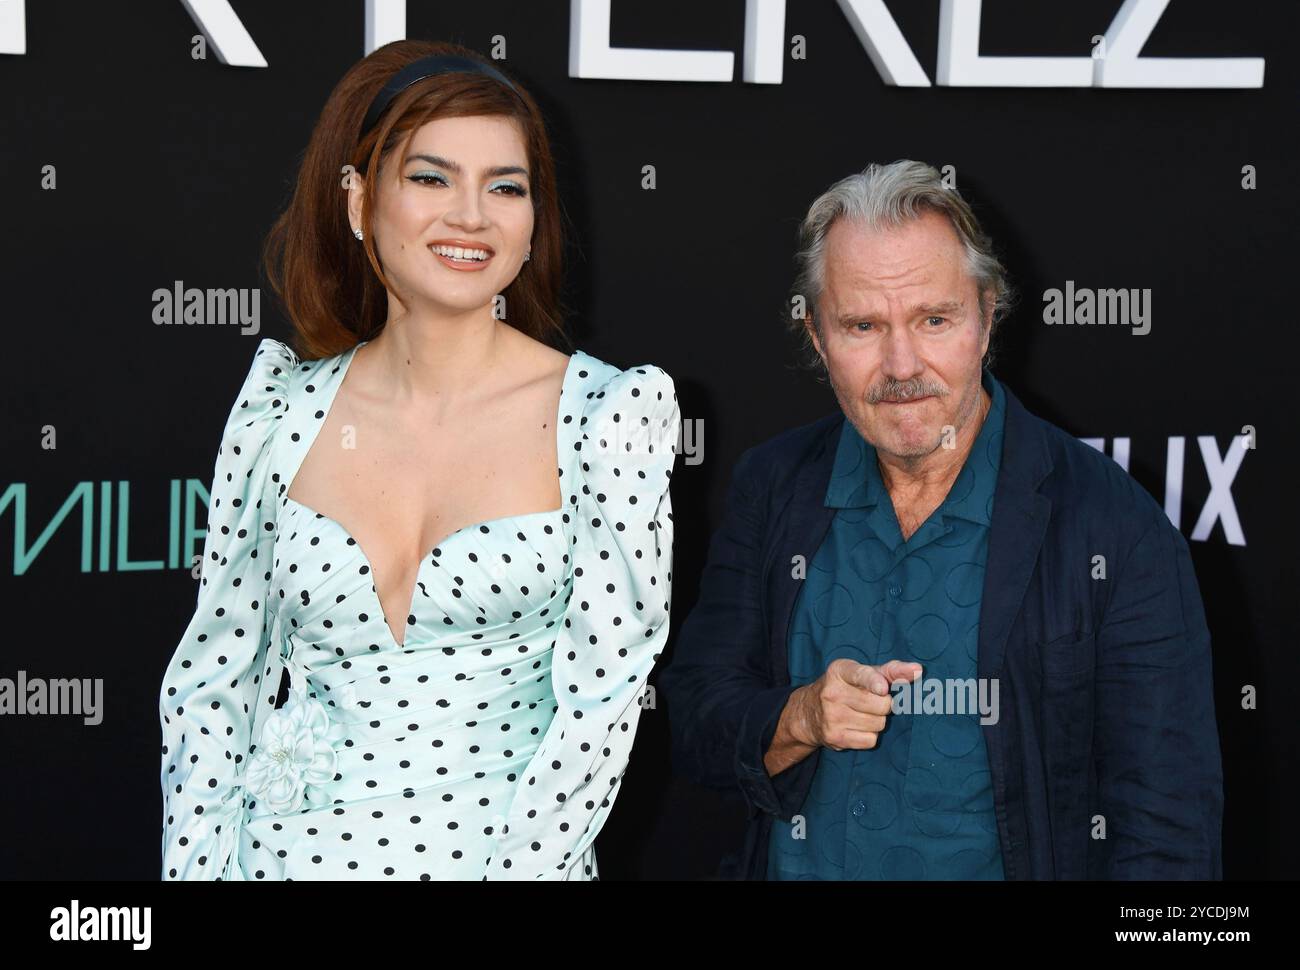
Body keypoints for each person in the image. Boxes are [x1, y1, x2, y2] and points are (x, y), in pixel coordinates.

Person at [158, 40, 680, 880]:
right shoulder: (277, 415)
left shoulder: (605, 419)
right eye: (431, 178)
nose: (470, 216)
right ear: (360, 201)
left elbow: (599, 711)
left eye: (504, 187)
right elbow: (212, 688)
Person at [659, 159, 1222, 880]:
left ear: (988, 317)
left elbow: (1168, 832)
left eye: (933, 319)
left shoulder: (1115, 529)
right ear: (816, 336)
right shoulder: (773, 488)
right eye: (862, 324)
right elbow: (697, 722)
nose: (901, 364)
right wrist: (800, 717)